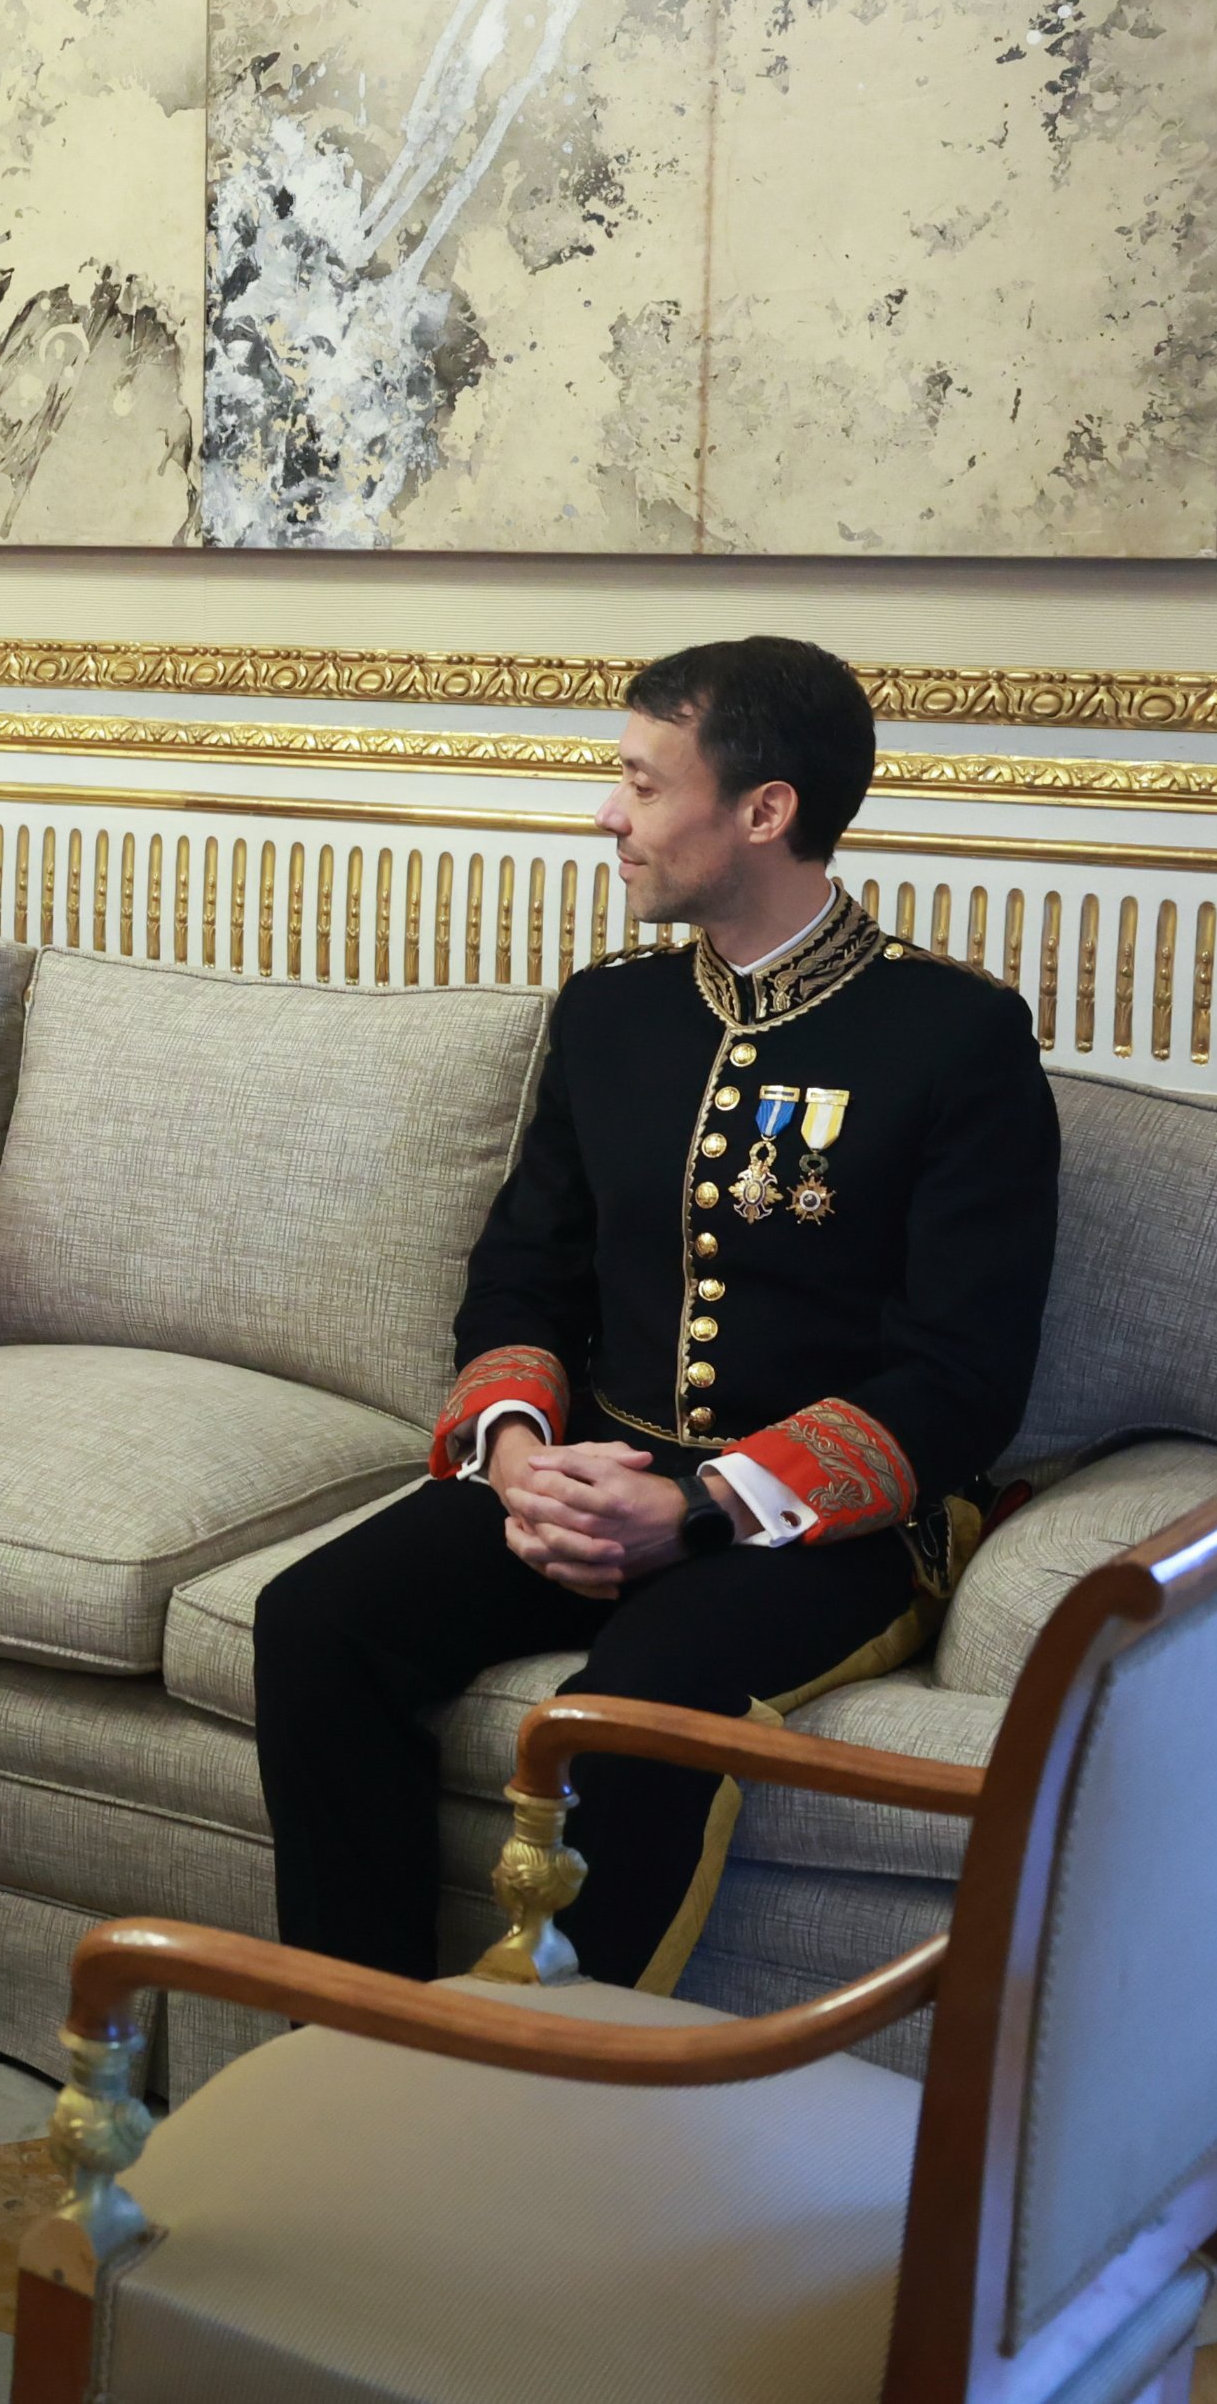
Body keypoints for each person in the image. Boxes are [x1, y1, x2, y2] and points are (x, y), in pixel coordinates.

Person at [253, 635, 1059, 1993]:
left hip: (825, 1526)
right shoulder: (612, 1013)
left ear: (765, 809)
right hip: (596, 1464)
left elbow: (964, 1374)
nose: (605, 813)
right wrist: (517, 1458)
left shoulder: (955, 1039)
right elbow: (521, 1275)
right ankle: (358, 2028)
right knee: (317, 1619)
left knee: (618, 1720)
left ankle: (562, 2090)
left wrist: (697, 1509)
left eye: (639, 780)